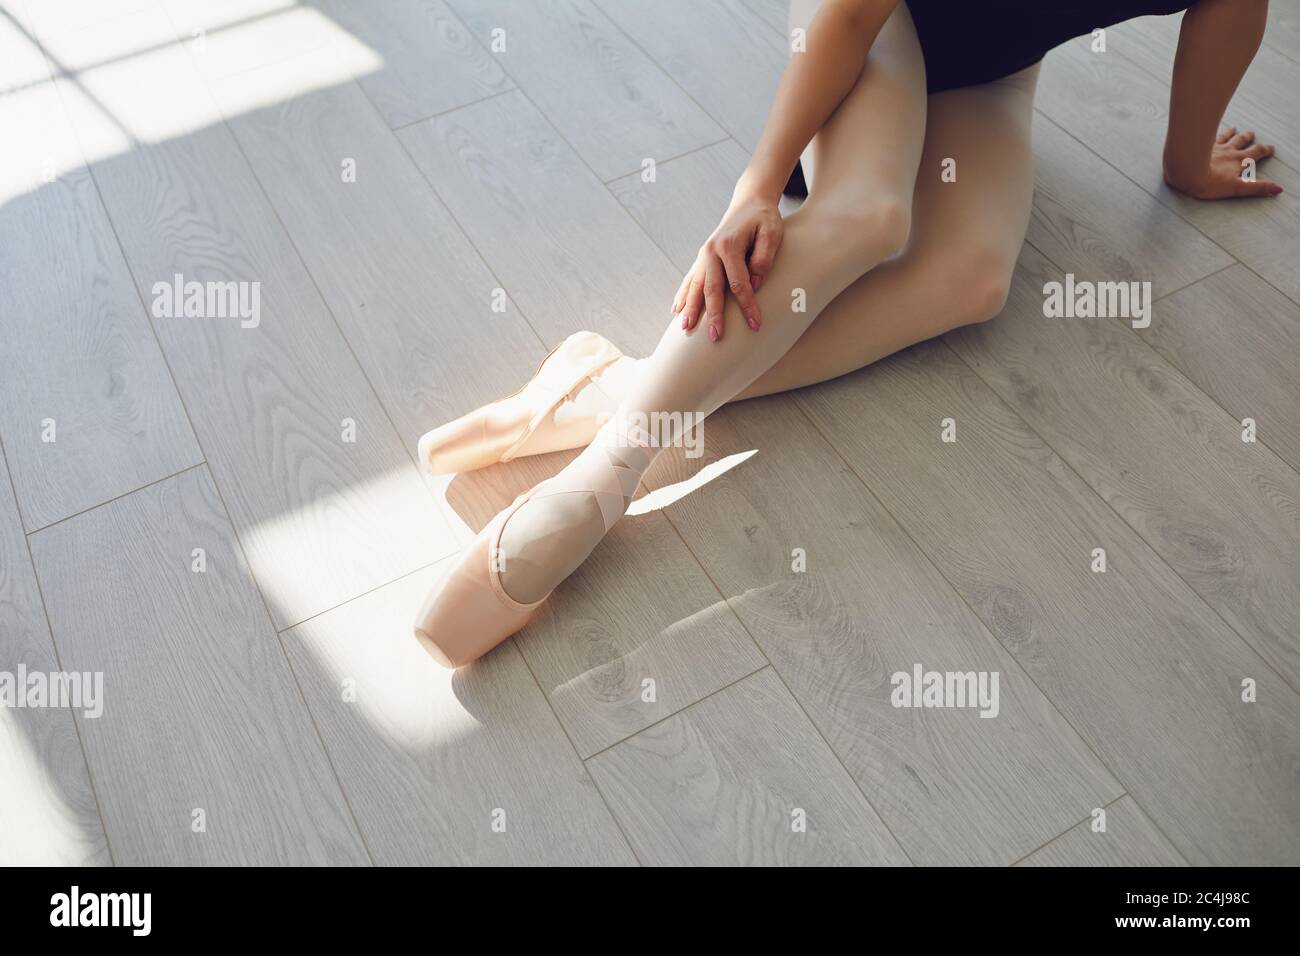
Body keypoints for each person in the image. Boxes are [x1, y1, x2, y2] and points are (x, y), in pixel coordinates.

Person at [413, 0, 1280, 667]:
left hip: (989, 72)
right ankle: (601, 481)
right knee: (867, 215)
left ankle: (609, 388)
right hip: (876, 23)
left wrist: (1187, 162)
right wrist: (753, 188)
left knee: (972, 281)